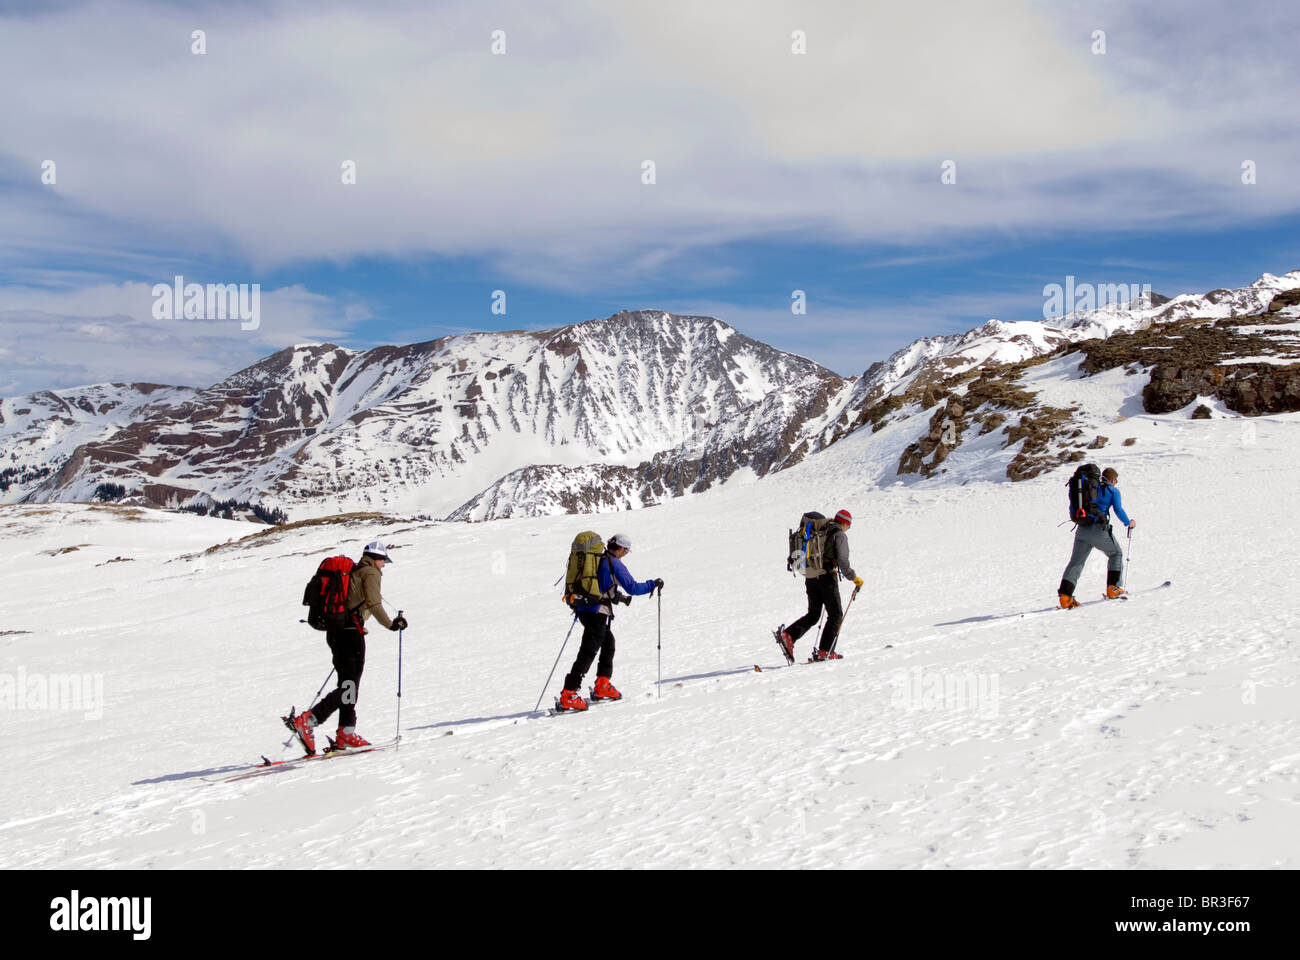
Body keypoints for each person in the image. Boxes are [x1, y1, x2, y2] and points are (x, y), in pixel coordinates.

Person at [289, 541, 407, 752]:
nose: (384, 565)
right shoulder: (370, 572)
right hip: (350, 634)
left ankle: (346, 732)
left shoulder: (355, 570)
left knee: (348, 684)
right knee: (349, 685)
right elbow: (374, 603)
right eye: (383, 561)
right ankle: (310, 721)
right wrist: (391, 625)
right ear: (375, 558)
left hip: (336, 633)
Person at [558, 533, 661, 712]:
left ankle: (602, 684)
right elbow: (633, 587)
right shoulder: (614, 563)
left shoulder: (599, 558)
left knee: (608, 643)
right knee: (588, 651)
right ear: (620, 548)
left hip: (584, 608)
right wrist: (653, 584)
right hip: (597, 611)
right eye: (626, 551)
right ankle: (569, 693)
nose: (625, 554)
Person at [776, 509, 863, 662]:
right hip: (826, 577)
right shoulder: (839, 534)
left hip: (810, 576)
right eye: (848, 526)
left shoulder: (821, 530)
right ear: (844, 523)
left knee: (814, 614)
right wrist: (854, 577)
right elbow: (843, 561)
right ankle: (825, 651)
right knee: (836, 615)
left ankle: (788, 636)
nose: (847, 529)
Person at [1058, 467, 1135, 608]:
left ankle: (1065, 596)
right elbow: (1118, 509)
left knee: (1076, 562)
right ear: (1112, 480)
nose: (1116, 483)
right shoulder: (1113, 491)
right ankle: (1113, 588)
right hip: (1098, 529)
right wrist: (1128, 522)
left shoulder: (1090, 489)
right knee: (1116, 553)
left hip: (1082, 529)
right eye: (1116, 480)